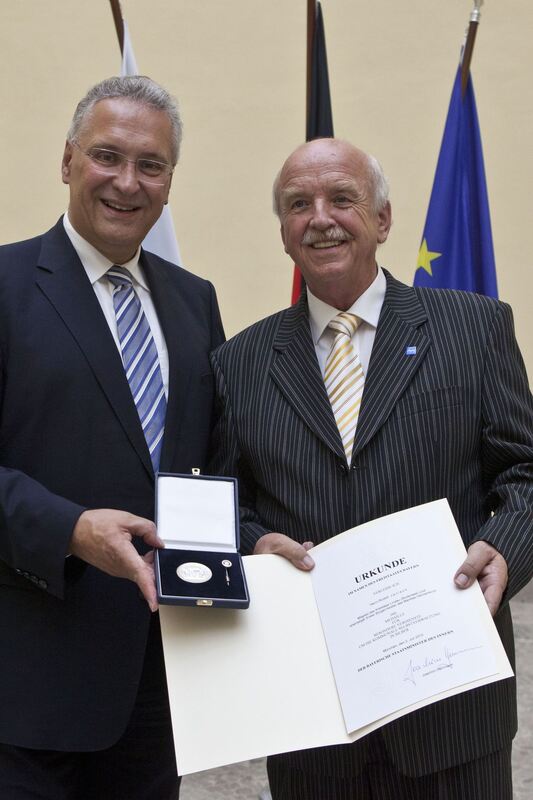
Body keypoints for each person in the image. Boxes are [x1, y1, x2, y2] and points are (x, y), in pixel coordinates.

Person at [210, 138, 533, 799]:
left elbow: (525, 472)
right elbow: (226, 503)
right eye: (298, 204)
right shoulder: (237, 364)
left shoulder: (474, 329)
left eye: (341, 199)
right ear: (283, 233)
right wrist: (252, 542)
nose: (319, 218)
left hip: (452, 704)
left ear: (382, 220)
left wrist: (503, 547)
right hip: (314, 718)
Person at [0, 76, 224, 799]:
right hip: (26, 693)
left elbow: (211, 466)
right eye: (106, 156)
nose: (127, 182)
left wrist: (253, 541)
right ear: (67, 162)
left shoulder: (195, 302)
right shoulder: (3, 286)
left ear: (169, 182)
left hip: (159, 693)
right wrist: (70, 529)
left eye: (150, 165)